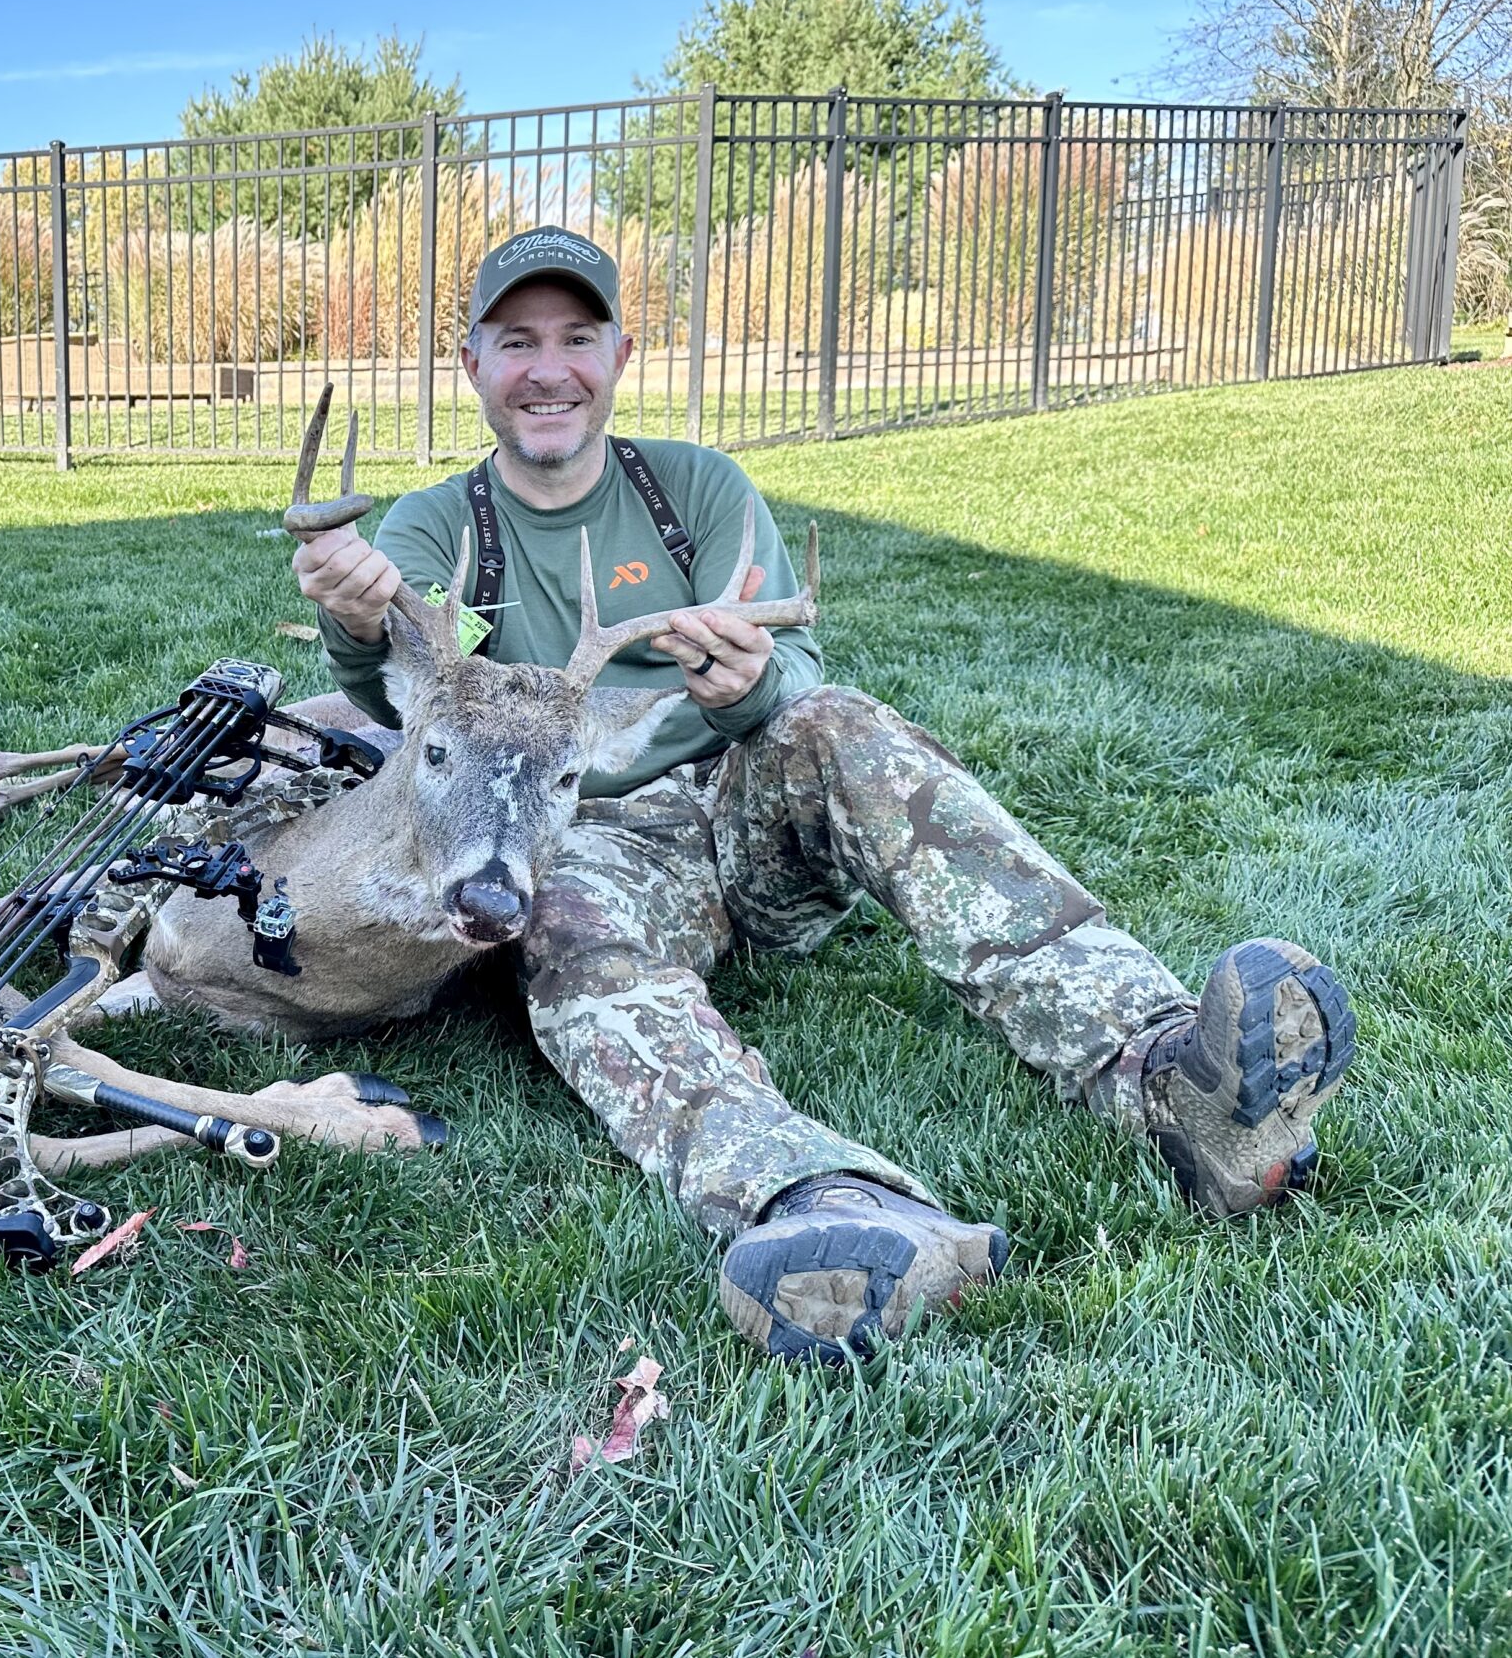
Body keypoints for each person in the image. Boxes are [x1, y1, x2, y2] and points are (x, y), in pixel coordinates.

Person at [293, 224, 1356, 1362]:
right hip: (584, 837)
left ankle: (1165, 1079)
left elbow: (790, 667)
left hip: (749, 813)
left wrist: (755, 685)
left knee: (840, 720)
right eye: (516, 341)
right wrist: (352, 615)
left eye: (576, 338)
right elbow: (403, 684)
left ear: (619, 353)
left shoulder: (695, 490)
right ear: (473, 367)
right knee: (559, 912)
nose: (547, 368)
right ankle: (813, 1205)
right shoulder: (435, 530)